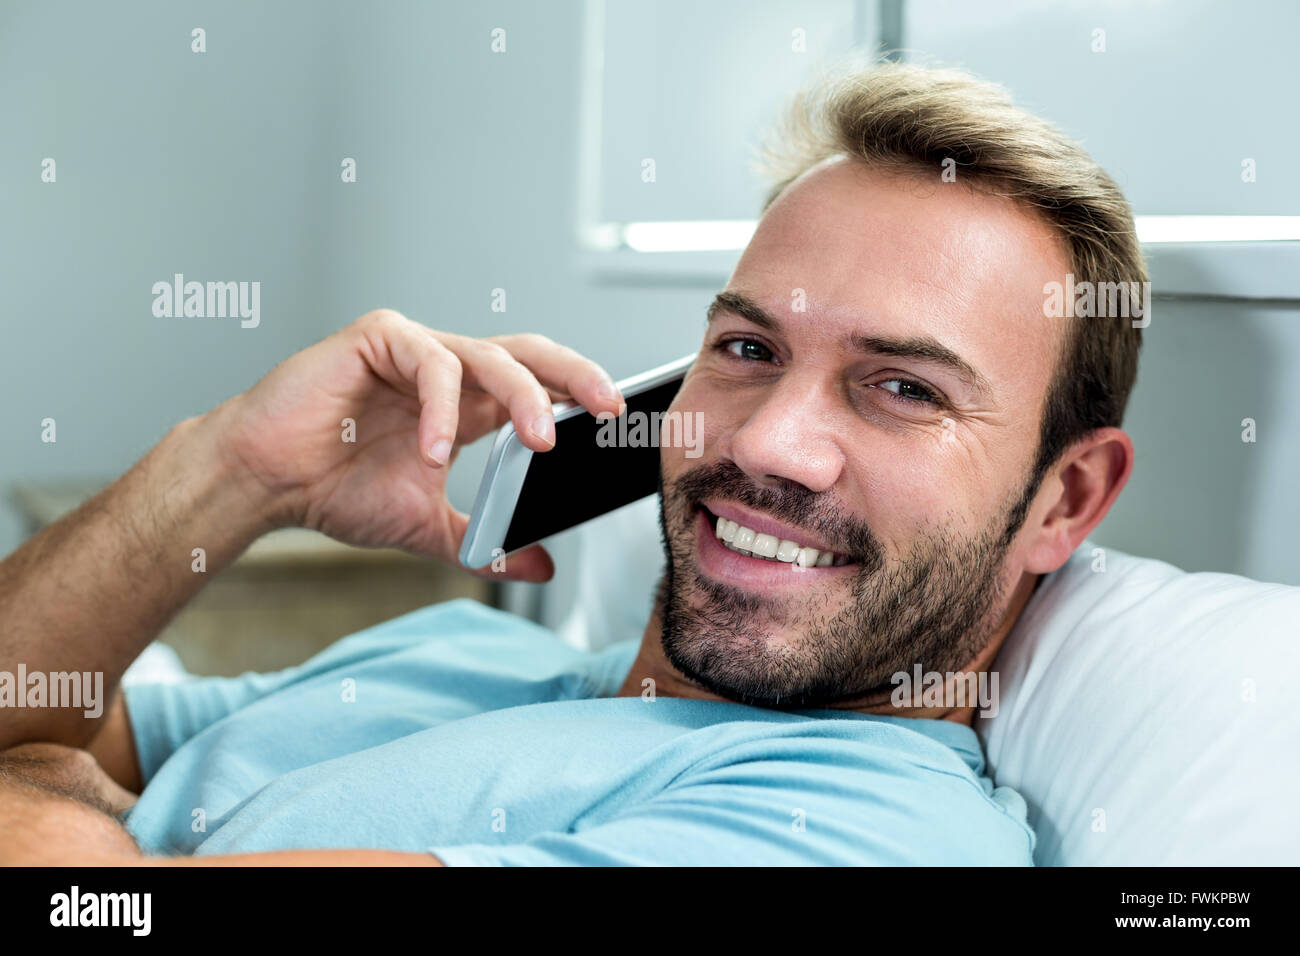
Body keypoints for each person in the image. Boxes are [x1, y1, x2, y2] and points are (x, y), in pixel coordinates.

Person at [0, 62, 1145, 865]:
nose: (761, 442)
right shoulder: (453, 649)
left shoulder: (865, 828)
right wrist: (235, 466)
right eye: (746, 349)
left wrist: (51, 790)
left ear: (1067, 497)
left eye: (903, 388)